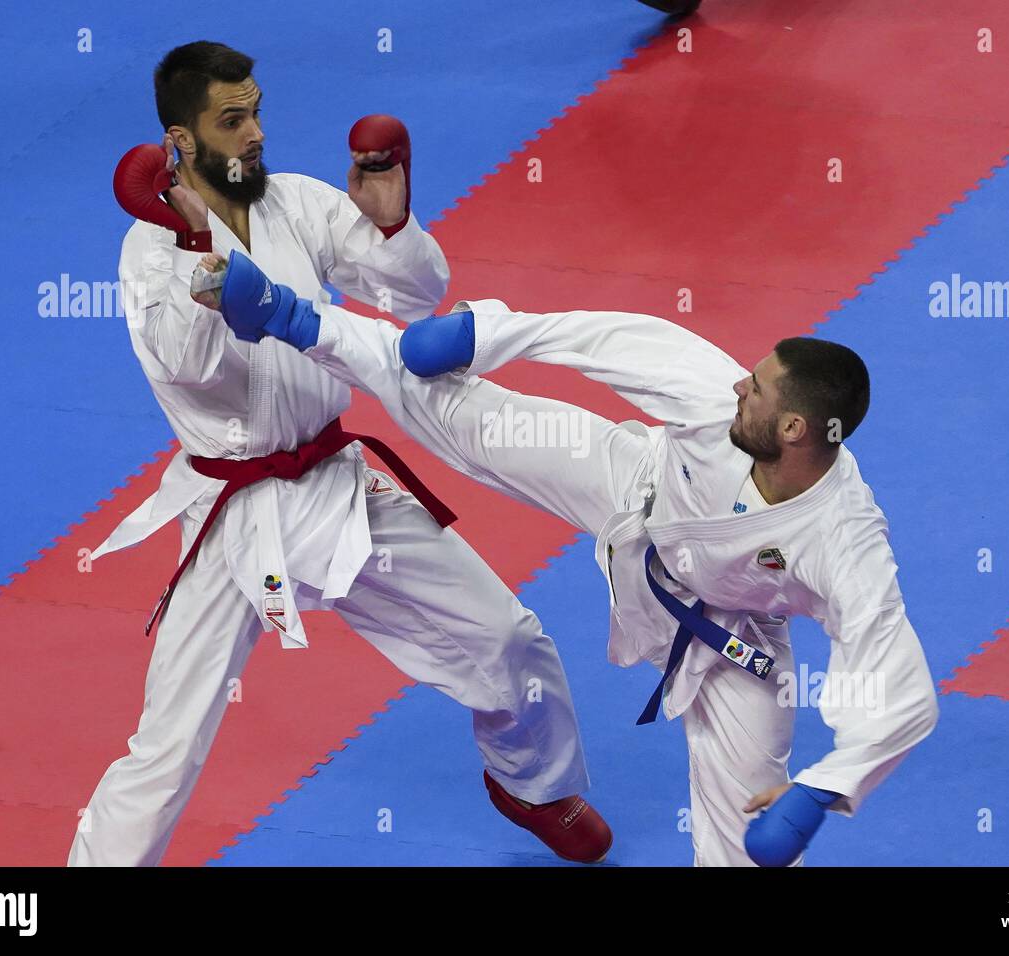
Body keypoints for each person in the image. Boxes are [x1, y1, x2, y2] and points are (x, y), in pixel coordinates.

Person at [191, 248, 941, 866]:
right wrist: (483, 336)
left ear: (797, 430)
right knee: (461, 410)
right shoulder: (717, 400)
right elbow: (604, 339)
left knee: (750, 832)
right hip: (633, 486)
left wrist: (821, 791)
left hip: (730, 630)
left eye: (759, 390)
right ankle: (290, 316)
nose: (739, 384)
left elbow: (899, 681)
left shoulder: (845, 538)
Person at [69, 41, 611, 867]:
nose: (254, 134)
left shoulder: (296, 203)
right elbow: (191, 368)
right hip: (233, 517)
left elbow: (411, 295)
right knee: (168, 747)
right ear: (179, 140)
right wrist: (188, 243)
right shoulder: (148, 250)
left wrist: (391, 218)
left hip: (335, 485)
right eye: (230, 120)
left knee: (510, 637)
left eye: (255, 112)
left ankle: (530, 782)